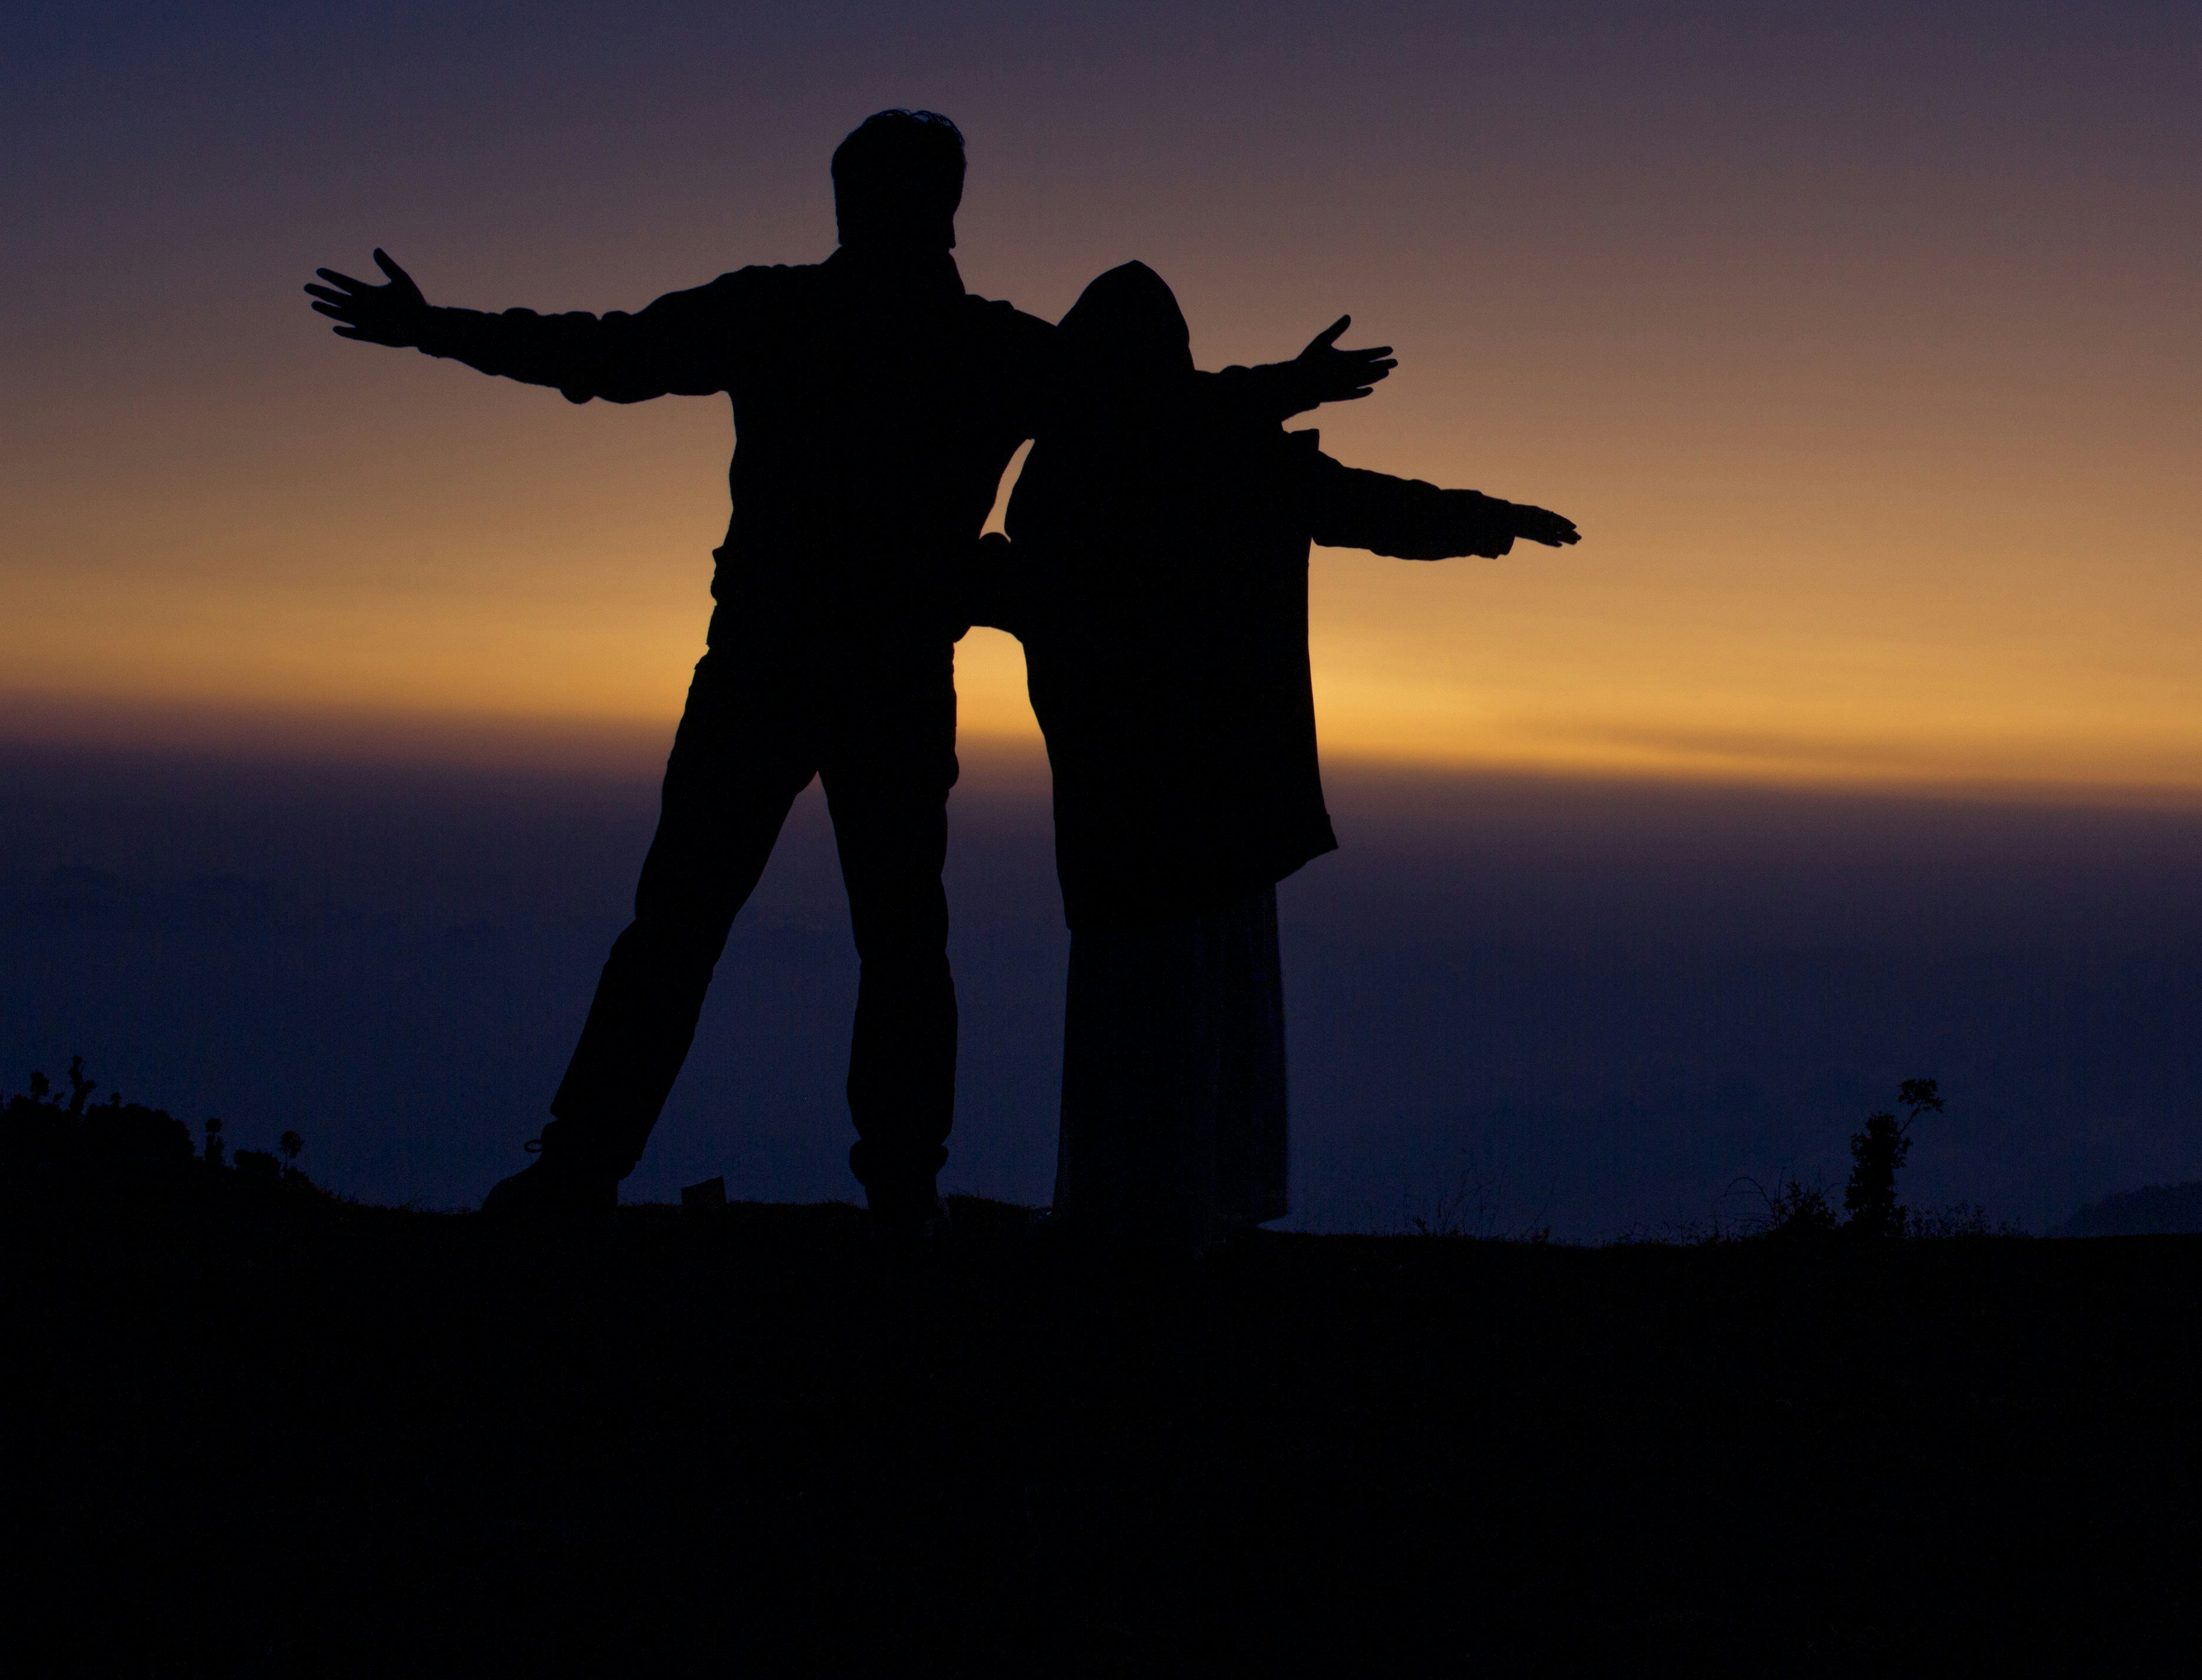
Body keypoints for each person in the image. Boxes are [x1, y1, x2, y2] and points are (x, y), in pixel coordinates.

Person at [302, 112, 1390, 1226]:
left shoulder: (783, 312)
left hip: (766, 667)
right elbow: (1151, 405)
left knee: (690, 926)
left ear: (847, 203)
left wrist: (434, 330)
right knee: (897, 938)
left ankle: (585, 1165)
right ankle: (900, 1188)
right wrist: (1285, 388)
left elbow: (603, 353)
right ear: (948, 208)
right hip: (891, 683)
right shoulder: (984, 347)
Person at [975, 261, 1575, 1251]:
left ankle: (1131, 1209)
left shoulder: (1074, 463)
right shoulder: (1211, 450)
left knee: (1139, 1001)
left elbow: (1040, 584)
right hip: (1216, 797)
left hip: (1122, 796)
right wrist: (1486, 519)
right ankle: (1180, 1210)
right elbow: (1361, 506)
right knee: (1198, 1002)